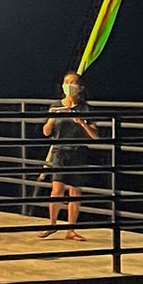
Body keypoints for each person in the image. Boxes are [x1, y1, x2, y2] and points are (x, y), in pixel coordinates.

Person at [40, 71, 102, 242]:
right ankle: (52, 224)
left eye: (72, 82)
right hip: (60, 151)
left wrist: (82, 122)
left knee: (75, 191)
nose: (68, 86)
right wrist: (51, 120)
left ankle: (71, 229)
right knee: (57, 189)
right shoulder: (56, 106)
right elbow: (46, 132)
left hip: (78, 151)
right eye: (66, 82)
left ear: (80, 87)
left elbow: (95, 136)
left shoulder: (85, 108)